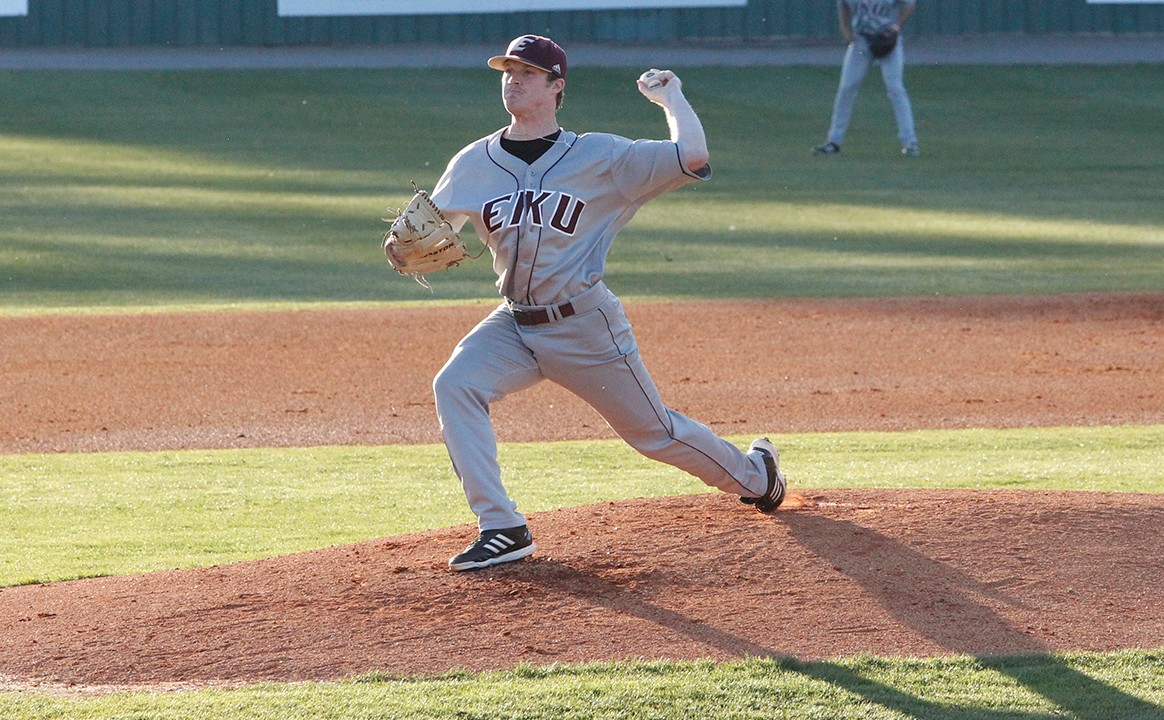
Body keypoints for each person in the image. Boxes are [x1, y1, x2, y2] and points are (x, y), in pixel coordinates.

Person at [426, 34, 787, 572]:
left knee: (655, 435)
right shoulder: (474, 161)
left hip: (584, 326)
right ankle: (501, 526)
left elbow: (692, 157)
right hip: (514, 324)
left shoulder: (602, 157)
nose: (513, 81)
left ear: (556, 86)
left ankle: (758, 476)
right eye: (508, 72)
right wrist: (402, 246)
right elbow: (433, 228)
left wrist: (672, 99)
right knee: (455, 384)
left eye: (527, 73)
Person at [813, 0, 920, 157]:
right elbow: (843, 5)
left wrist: (897, 27)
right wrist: (845, 28)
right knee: (846, 88)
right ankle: (834, 142)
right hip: (861, 41)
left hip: (888, 39)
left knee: (895, 87)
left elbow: (910, 4)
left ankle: (910, 143)